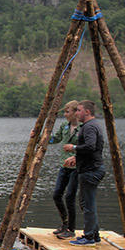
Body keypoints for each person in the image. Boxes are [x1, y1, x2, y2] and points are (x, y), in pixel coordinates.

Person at [62, 100, 106, 246]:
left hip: (91, 170)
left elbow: (91, 146)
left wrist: (73, 147)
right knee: (86, 203)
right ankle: (94, 234)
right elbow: (91, 149)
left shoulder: (89, 127)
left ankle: (89, 238)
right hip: (90, 168)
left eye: (79, 110)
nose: (76, 113)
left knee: (88, 204)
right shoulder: (91, 126)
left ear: (87, 112)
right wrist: (77, 157)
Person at [49, 100, 81, 240]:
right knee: (57, 195)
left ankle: (71, 229)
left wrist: (76, 155)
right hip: (64, 166)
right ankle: (64, 223)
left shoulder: (83, 127)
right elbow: (55, 139)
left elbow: (88, 147)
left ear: (75, 112)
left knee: (69, 197)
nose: (65, 114)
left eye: (67, 112)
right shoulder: (64, 126)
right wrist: (39, 138)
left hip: (77, 168)